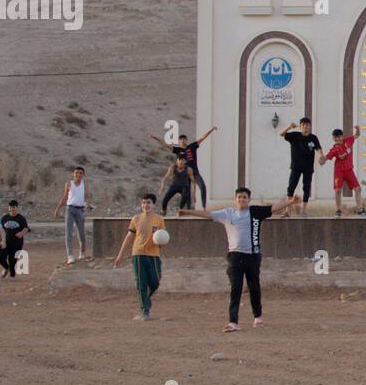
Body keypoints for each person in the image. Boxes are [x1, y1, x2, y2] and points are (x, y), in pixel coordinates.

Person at [181, 188, 295, 332]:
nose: (242, 200)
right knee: (236, 288)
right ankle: (233, 322)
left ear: (249, 199)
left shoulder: (255, 212)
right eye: (239, 197)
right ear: (235, 199)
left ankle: (258, 317)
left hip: (253, 256)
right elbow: (208, 214)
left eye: (245, 197)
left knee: (254, 287)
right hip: (235, 256)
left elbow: (273, 208)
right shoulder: (228, 214)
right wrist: (188, 212)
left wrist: (290, 202)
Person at [113, 193, 166, 321]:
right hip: (138, 254)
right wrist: (120, 255)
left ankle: (145, 300)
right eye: (143, 202)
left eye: (148, 202)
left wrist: (161, 242)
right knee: (141, 283)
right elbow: (129, 237)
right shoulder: (136, 219)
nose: (145, 205)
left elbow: (163, 238)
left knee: (155, 282)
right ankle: (145, 310)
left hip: (153, 255)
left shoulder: (159, 220)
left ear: (153, 205)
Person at [150, 127, 217, 208]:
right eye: (181, 140)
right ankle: (182, 209)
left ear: (186, 140)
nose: (183, 141)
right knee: (186, 196)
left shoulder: (192, 146)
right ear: (179, 142)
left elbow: (202, 137)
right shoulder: (177, 150)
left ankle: (204, 208)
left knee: (203, 186)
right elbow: (165, 144)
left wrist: (211, 129)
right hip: (184, 176)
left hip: (194, 173)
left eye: (184, 139)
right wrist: (156, 138)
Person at [324, 124, 366, 217]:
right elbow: (325, 158)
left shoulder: (348, 141)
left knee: (358, 189)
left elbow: (357, 135)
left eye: (339, 137)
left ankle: (360, 210)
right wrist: (321, 159)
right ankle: (338, 210)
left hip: (349, 170)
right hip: (339, 172)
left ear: (342, 136)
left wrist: (358, 129)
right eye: (335, 137)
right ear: (333, 138)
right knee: (338, 190)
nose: (337, 139)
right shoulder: (334, 150)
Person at [280, 117, 322, 217]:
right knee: (291, 187)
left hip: (308, 167)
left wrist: (321, 156)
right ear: (300, 126)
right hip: (296, 166)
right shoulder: (295, 135)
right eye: (303, 125)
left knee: (306, 188)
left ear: (310, 126)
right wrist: (289, 127)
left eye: (307, 125)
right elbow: (281, 134)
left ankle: (303, 211)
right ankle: (287, 211)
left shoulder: (313, 138)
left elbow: (318, 149)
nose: (305, 126)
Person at [52, 166, 92, 264]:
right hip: (70, 209)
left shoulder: (84, 184)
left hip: (80, 209)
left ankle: (82, 252)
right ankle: (70, 255)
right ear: (74, 174)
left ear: (83, 175)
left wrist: (87, 204)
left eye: (80, 173)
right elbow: (65, 197)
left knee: (81, 232)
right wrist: (57, 209)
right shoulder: (69, 184)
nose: (78, 175)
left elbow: (86, 197)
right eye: (77, 172)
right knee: (69, 232)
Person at [0, 200, 29, 279]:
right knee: (0, 257)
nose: (12, 209)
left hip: (16, 243)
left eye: (14, 208)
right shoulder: (5, 218)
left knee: (13, 259)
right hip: (5, 242)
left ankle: (12, 275)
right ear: (8, 208)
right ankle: (6, 268)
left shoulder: (21, 218)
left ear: (17, 208)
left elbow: (26, 228)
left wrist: (21, 233)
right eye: (11, 208)